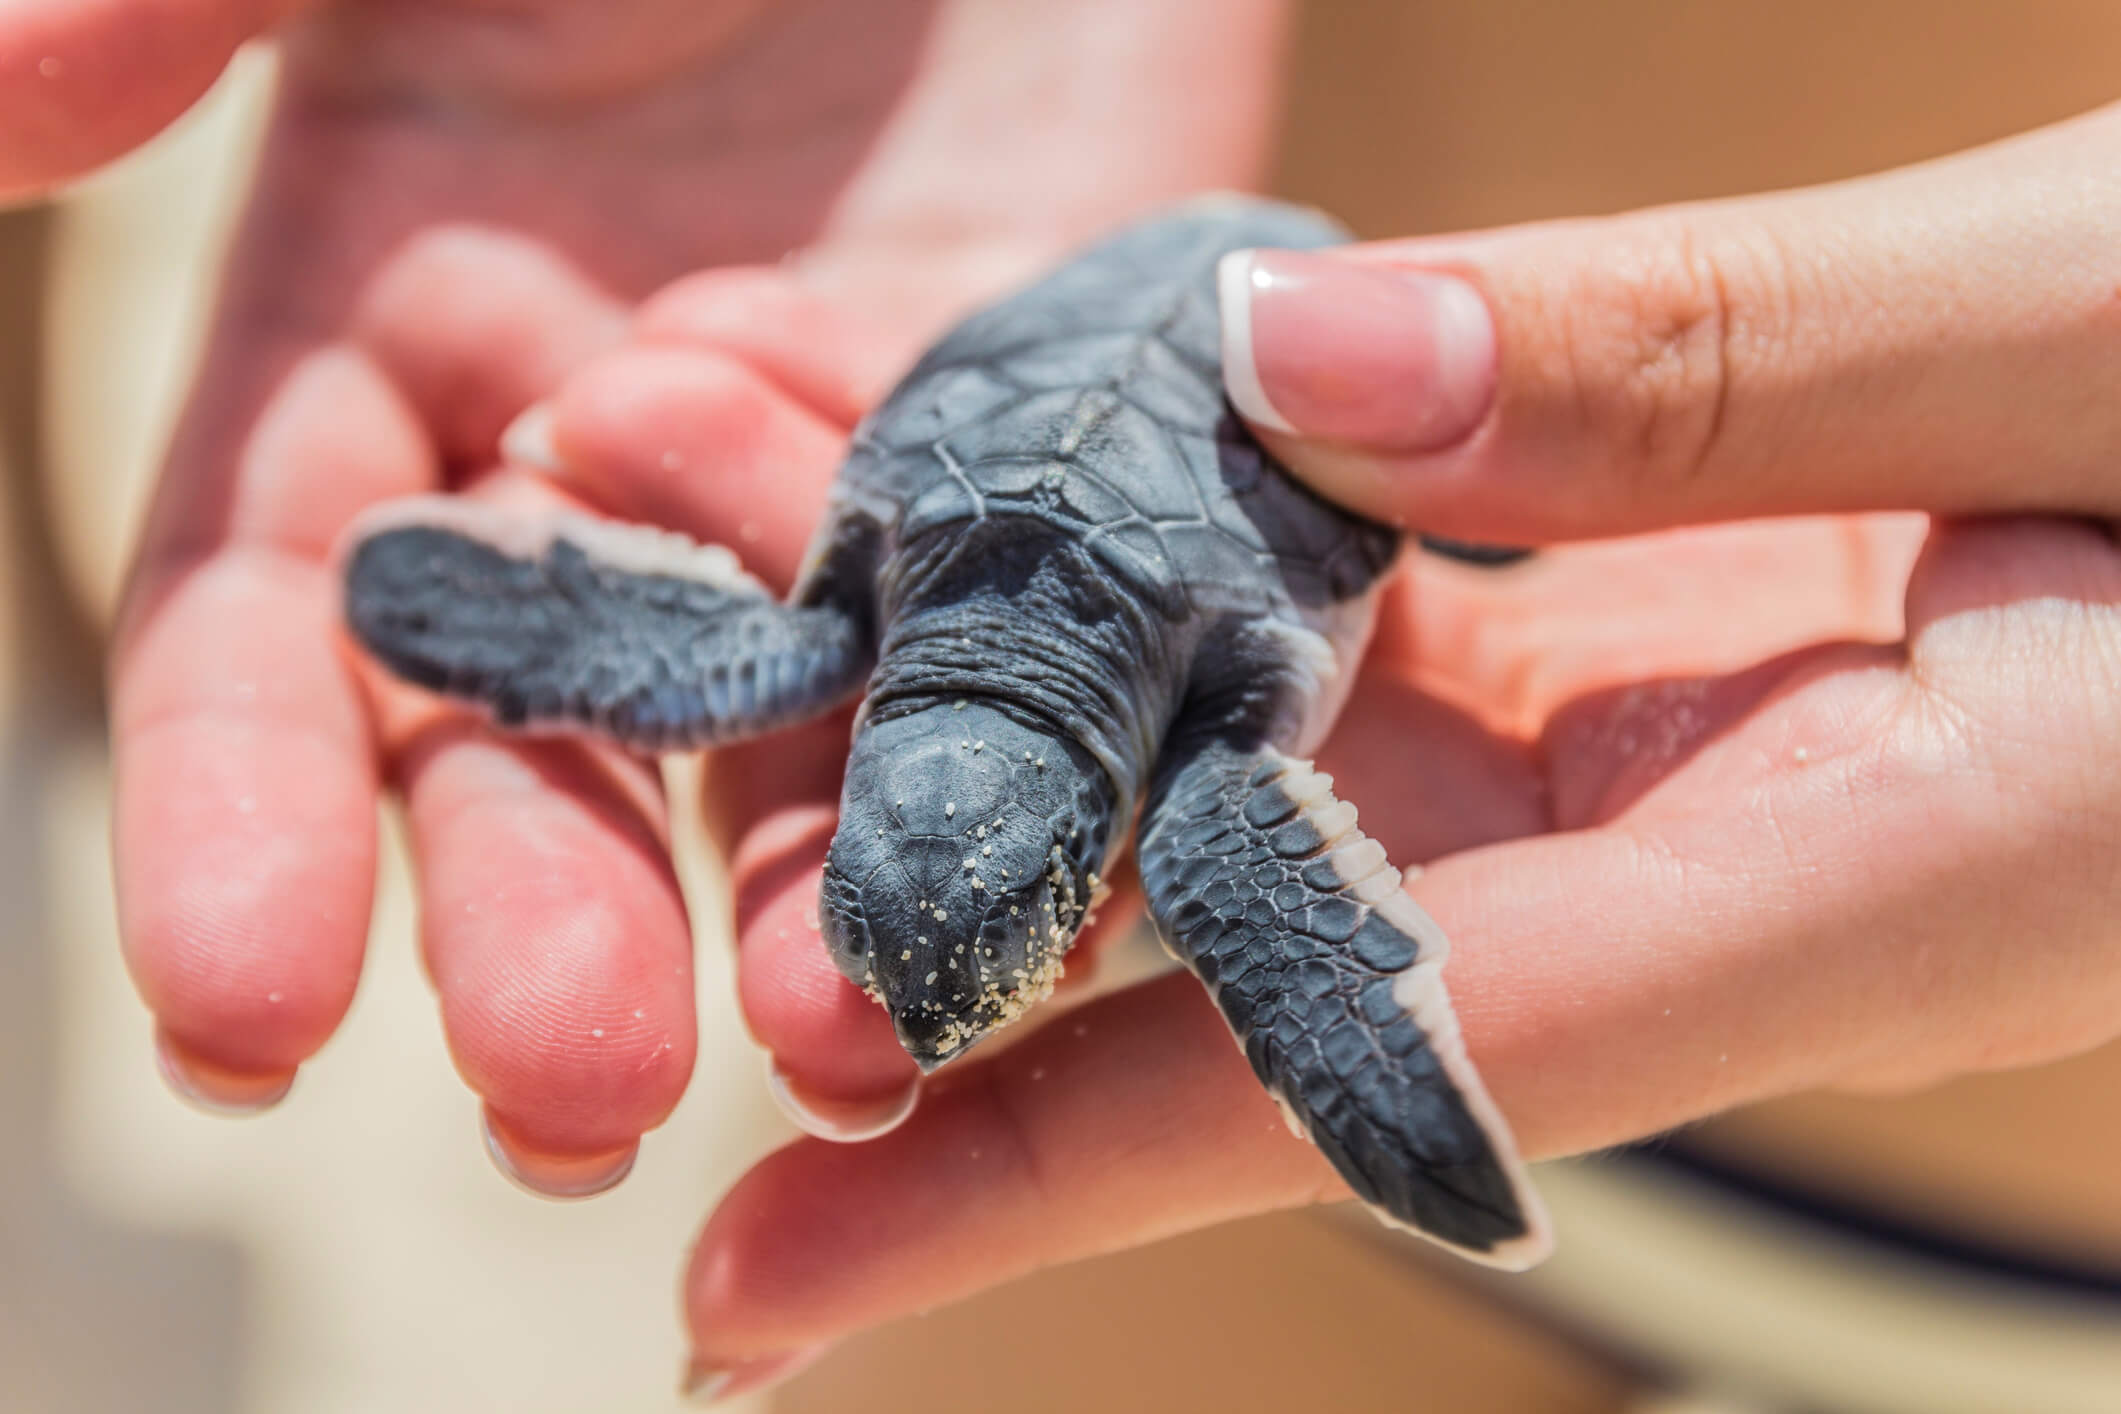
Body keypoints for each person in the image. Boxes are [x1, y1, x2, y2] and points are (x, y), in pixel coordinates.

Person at [13, 0, 2121, 1402]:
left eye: (1006, 922)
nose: (959, 985)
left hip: (2011, 1212)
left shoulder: (1190, 772)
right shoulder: (878, 622)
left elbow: (1223, 878)